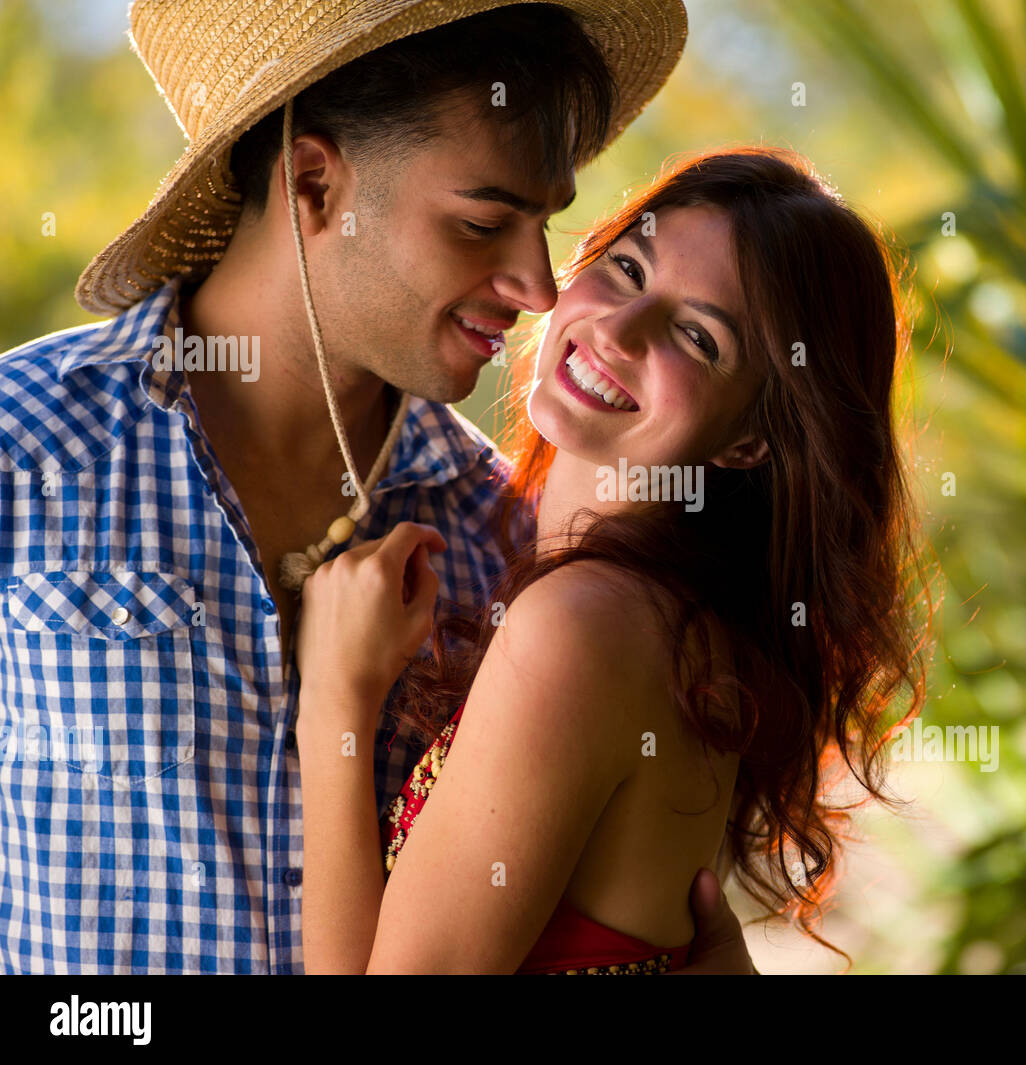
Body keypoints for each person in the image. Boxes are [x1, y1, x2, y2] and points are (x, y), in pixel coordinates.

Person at [0, 0, 754, 974]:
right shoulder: (26, 448)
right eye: (485, 222)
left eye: (546, 225)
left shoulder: (507, 543)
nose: (538, 284)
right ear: (315, 183)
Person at [293, 148, 930, 973]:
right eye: (628, 268)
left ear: (751, 440)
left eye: (699, 337)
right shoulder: (678, 624)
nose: (618, 330)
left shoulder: (582, 626)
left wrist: (335, 699)